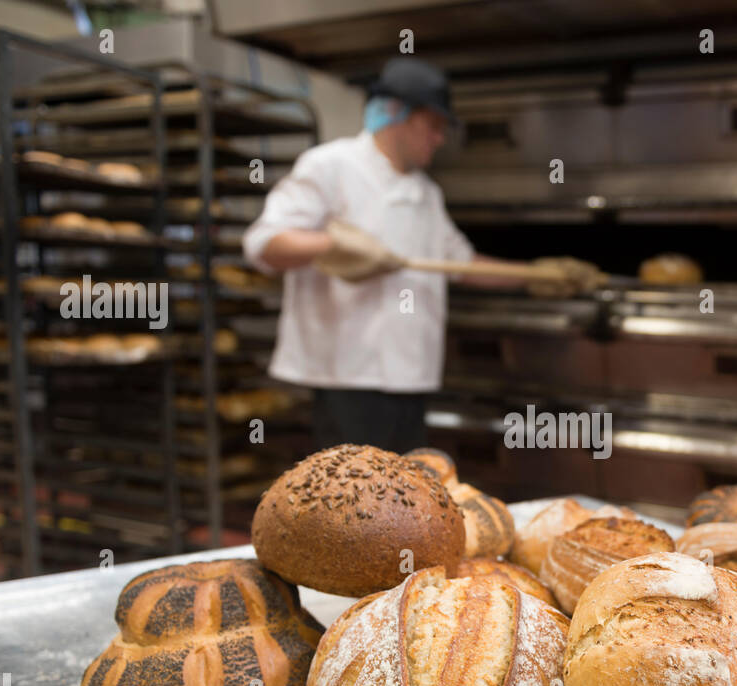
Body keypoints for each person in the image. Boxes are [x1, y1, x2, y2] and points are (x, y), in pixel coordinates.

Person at [243, 56, 597, 453]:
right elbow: (263, 244)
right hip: (349, 379)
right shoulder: (331, 165)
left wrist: (538, 274)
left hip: (411, 379)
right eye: (434, 124)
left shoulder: (426, 193)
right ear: (397, 114)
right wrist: (334, 246)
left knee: (404, 503)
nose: (440, 138)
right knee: (354, 509)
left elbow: (461, 264)